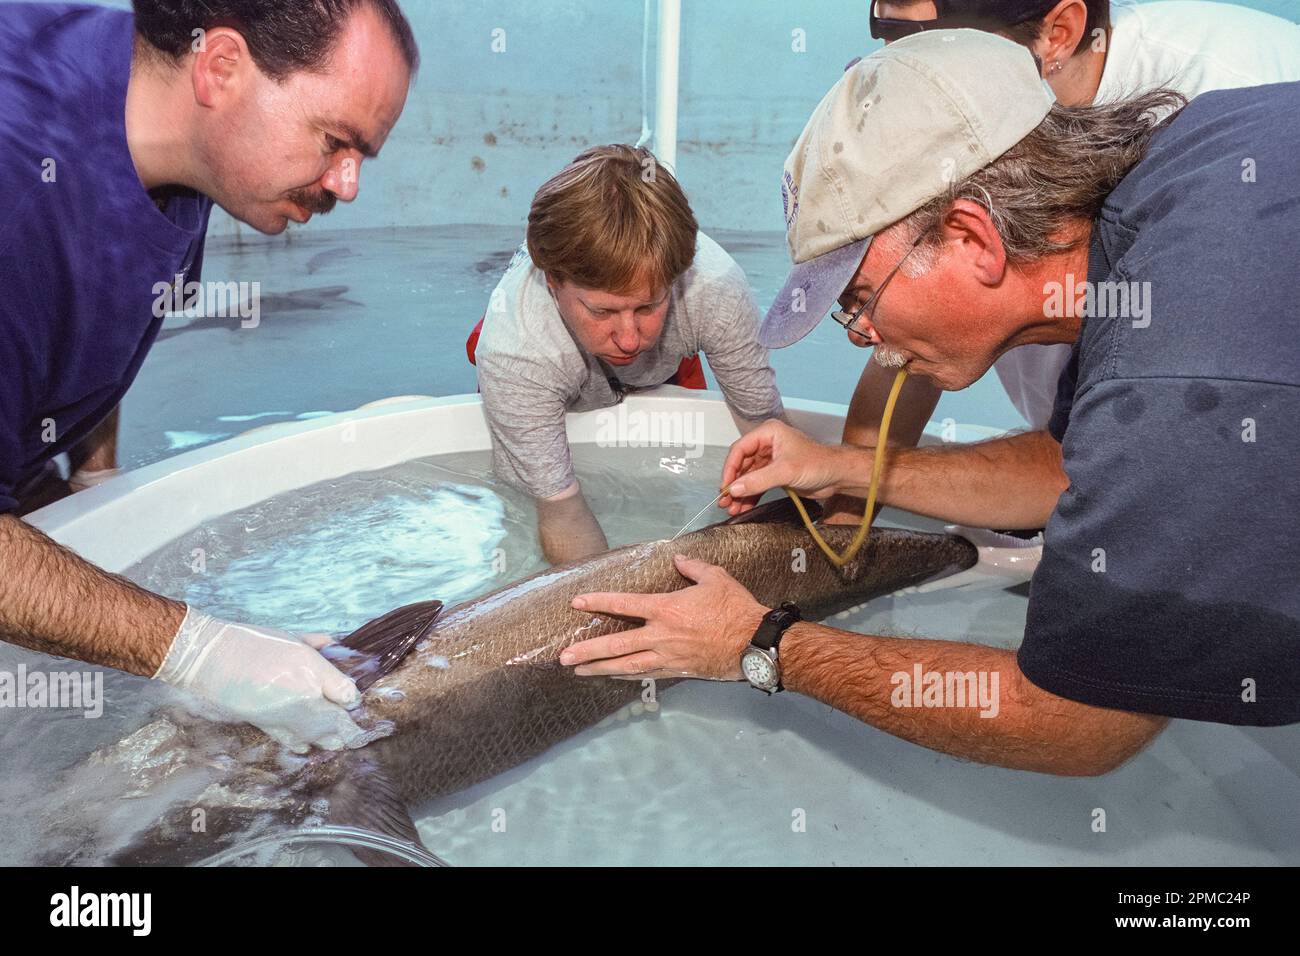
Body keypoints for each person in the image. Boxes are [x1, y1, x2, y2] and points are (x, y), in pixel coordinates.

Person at [558, 30, 1300, 774]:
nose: (861, 336)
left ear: (973, 238)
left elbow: (1077, 721)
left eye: (858, 301)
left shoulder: (1181, 365)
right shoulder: (1188, 175)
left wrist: (759, 642)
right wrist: (850, 469)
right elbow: (1063, 468)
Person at [0, 0, 418, 752]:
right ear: (220, 67)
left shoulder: (176, 139)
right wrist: (200, 651)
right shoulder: (15, 184)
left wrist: (95, 482)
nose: (348, 184)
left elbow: (100, 314)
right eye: (335, 142)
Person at [833, 0, 1300, 522]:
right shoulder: (957, 115)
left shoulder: (1233, 94)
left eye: (936, 50)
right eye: (891, 41)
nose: (912, 90)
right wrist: (848, 500)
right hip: (1068, 447)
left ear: (1059, 32)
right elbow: (915, 306)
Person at [471, 145, 786, 564]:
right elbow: (560, 512)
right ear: (552, 283)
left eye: (647, 306)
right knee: (525, 504)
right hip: (541, 362)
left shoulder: (713, 289)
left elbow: (767, 434)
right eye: (602, 311)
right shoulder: (518, 353)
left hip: (670, 354)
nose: (628, 338)